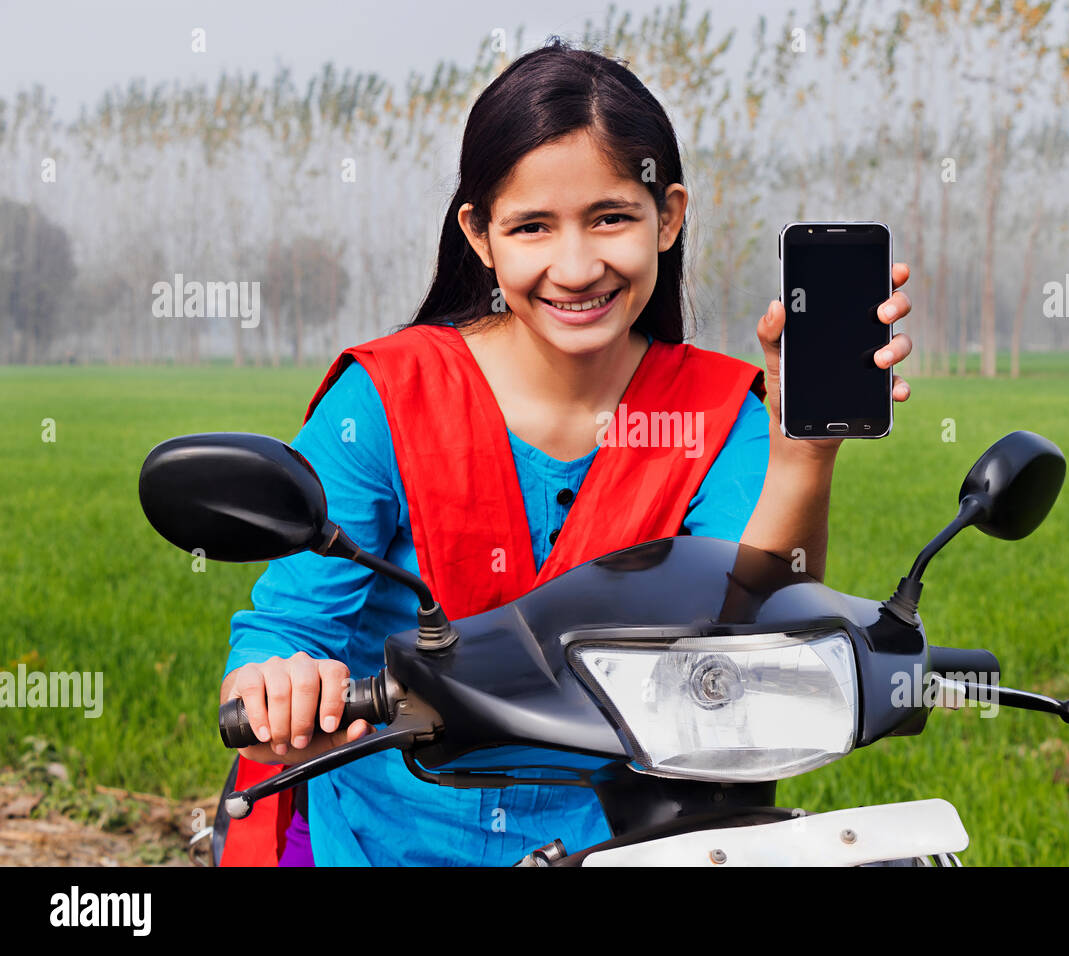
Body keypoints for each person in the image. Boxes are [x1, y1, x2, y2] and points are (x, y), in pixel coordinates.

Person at [219, 38, 913, 867]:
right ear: (480, 235)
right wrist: (278, 686)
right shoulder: (386, 398)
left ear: (669, 216)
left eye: (610, 218)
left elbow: (756, 639)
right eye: (532, 227)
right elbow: (287, 629)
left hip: (627, 845)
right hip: (377, 844)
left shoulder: (720, 411)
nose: (576, 268)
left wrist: (803, 455)